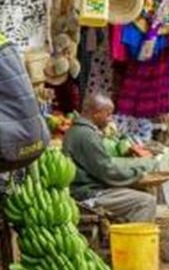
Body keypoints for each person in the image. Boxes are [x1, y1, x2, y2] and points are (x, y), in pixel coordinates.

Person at [62, 93, 157, 224]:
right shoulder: (86, 135)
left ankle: (121, 235)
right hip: (87, 194)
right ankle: (131, 242)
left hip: (86, 189)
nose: (110, 119)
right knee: (146, 202)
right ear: (96, 113)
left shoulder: (77, 131)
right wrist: (138, 173)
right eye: (108, 114)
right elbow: (107, 171)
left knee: (138, 195)